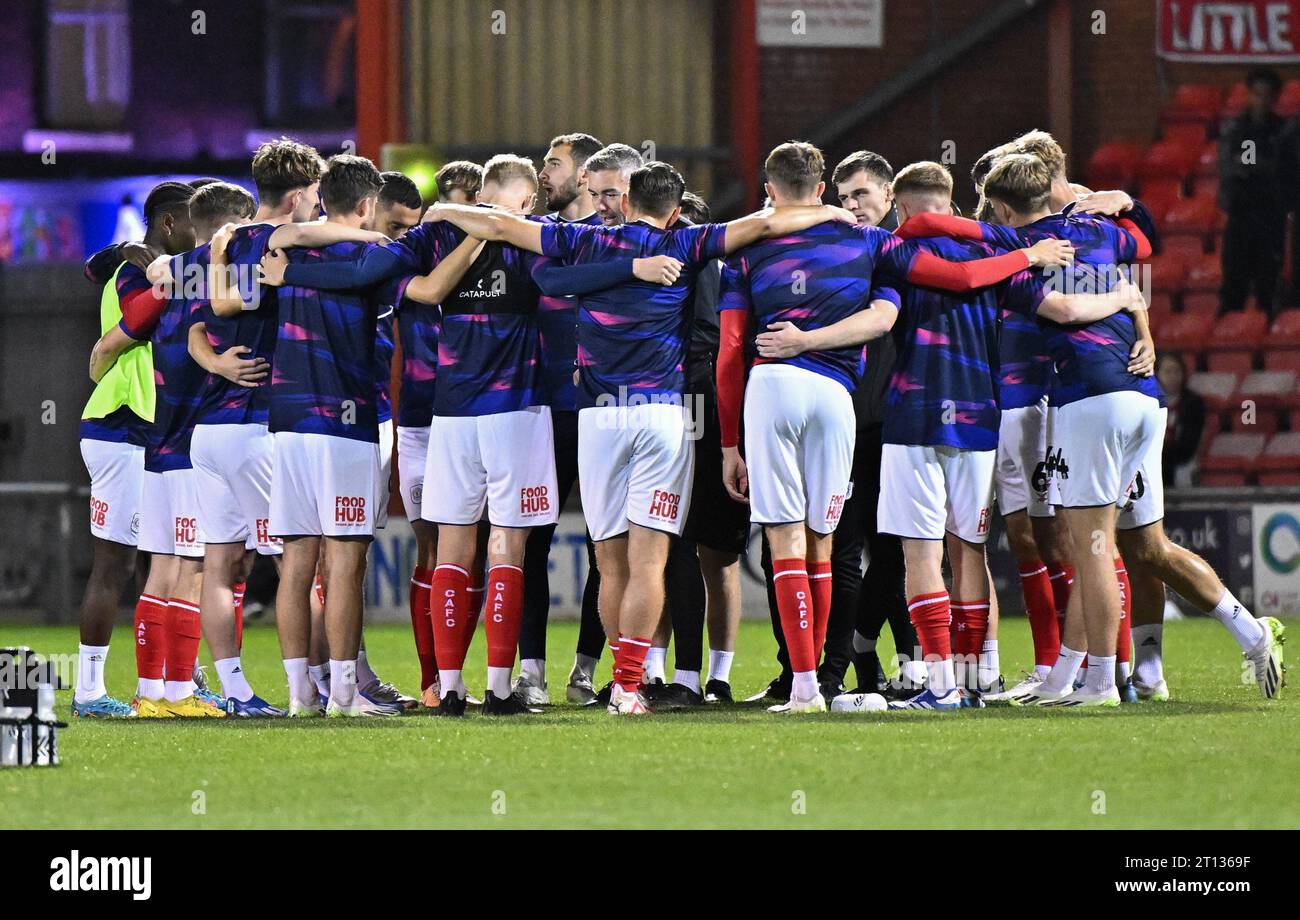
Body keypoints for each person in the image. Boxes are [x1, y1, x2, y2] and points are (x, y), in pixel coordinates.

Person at [424, 159, 864, 715]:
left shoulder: (583, 241)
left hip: (599, 417)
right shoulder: (688, 243)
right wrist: (828, 211)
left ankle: (618, 679)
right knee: (651, 561)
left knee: (610, 564)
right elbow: (767, 224)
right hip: (661, 414)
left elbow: (501, 228)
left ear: (626, 200)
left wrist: (445, 208)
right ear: (675, 210)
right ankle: (630, 687)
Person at [72, 181, 196, 718]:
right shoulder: (133, 275)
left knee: (165, 563)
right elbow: (134, 325)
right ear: (168, 224)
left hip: (150, 431)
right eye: (193, 223)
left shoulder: (139, 266)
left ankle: (170, 687)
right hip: (121, 426)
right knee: (115, 565)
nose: (201, 235)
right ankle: (88, 691)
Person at [516, 133, 610, 706]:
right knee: (531, 543)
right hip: (541, 412)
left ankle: (586, 670)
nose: (542, 172)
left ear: (584, 175)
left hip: (603, 414)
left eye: (553, 163)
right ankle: (531, 673)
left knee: (610, 546)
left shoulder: (612, 241)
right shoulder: (535, 242)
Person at [396, 160, 482, 707]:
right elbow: (426, 293)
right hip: (423, 421)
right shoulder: (409, 252)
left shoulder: (501, 247)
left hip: (475, 415)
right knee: (435, 549)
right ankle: (434, 680)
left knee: (471, 553)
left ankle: (455, 676)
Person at [1219, 68, 1297, 319]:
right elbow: (1231, 168)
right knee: (1234, 286)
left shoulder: (1284, 131)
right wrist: (1256, 168)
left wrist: (1256, 169)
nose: (1260, 101)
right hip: (1240, 218)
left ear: (1274, 98)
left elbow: (1283, 172)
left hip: (1270, 219)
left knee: (1268, 287)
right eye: (1256, 94)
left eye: (1266, 95)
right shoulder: (1235, 129)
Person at [1156, 351, 1205, 487]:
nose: (1172, 377)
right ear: (1157, 374)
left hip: (1182, 462)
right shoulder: (1149, 402)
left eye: (1176, 371)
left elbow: (1188, 446)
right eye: (1167, 372)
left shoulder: (1193, 403)